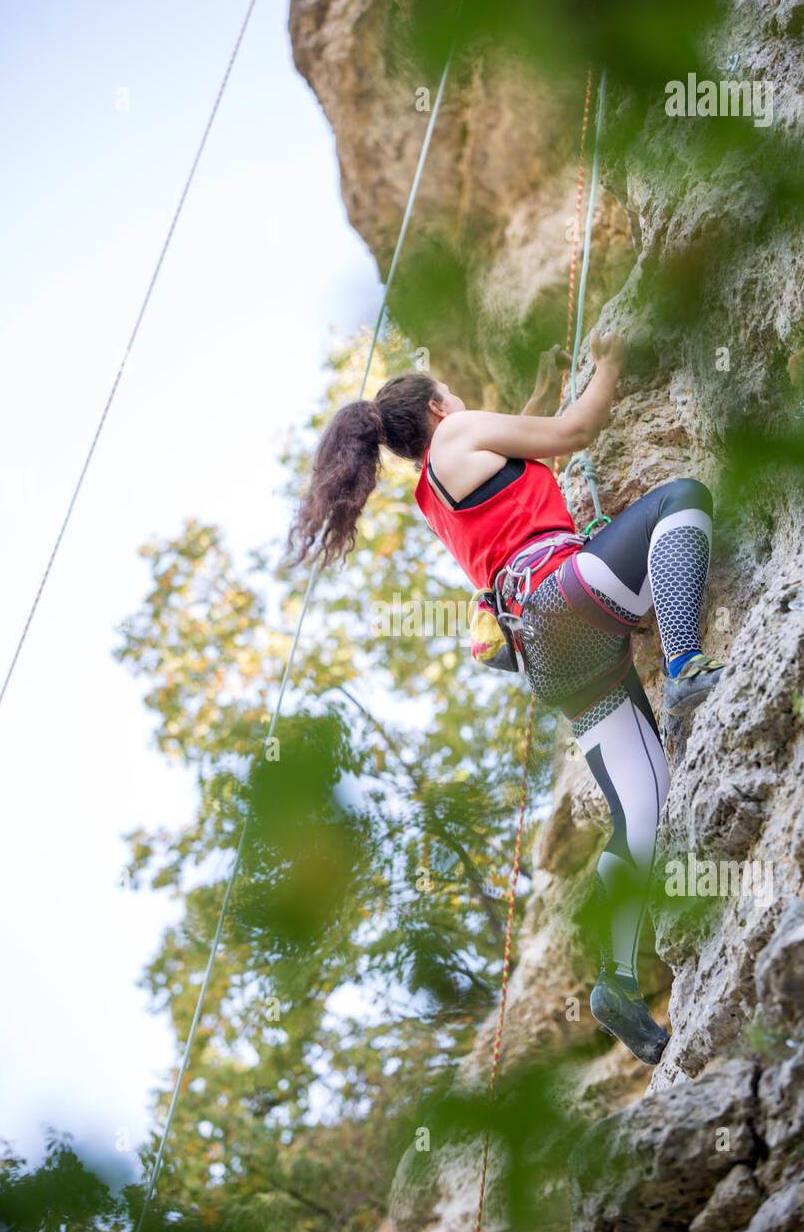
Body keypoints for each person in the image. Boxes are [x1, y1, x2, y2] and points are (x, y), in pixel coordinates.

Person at [286, 332, 725, 1064]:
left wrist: (541, 388)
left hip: (549, 655)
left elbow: (522, 450)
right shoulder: (458, 432)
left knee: (643, 804)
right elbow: (574, 433)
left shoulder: (437, 491)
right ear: (438, 407)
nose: (463, 406)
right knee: (682, 500)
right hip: (564, 599)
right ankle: (682, 665)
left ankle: (617, 979)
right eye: (454, 400)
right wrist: (608, 362)